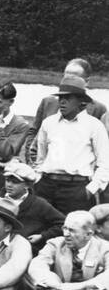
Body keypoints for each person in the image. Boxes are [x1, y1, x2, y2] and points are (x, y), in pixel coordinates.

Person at [32, 74, 108, 214]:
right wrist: (38, 180)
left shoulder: (94, 126)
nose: (62, 102)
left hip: (76, 188)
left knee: (72, 229)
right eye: (60, 98)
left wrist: (90, 189)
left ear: (80, 101)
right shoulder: (49, 123)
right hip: (46, 185)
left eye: (68, 98)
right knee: (40, 228)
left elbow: (105, 163)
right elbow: (40, 156)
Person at [1, 160, 64, 250]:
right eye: (7, 180)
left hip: (26, 250)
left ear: (27, 185)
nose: (9, 185)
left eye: (15, 182)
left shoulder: (39, 204)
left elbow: (63, 223)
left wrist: (42, 236)